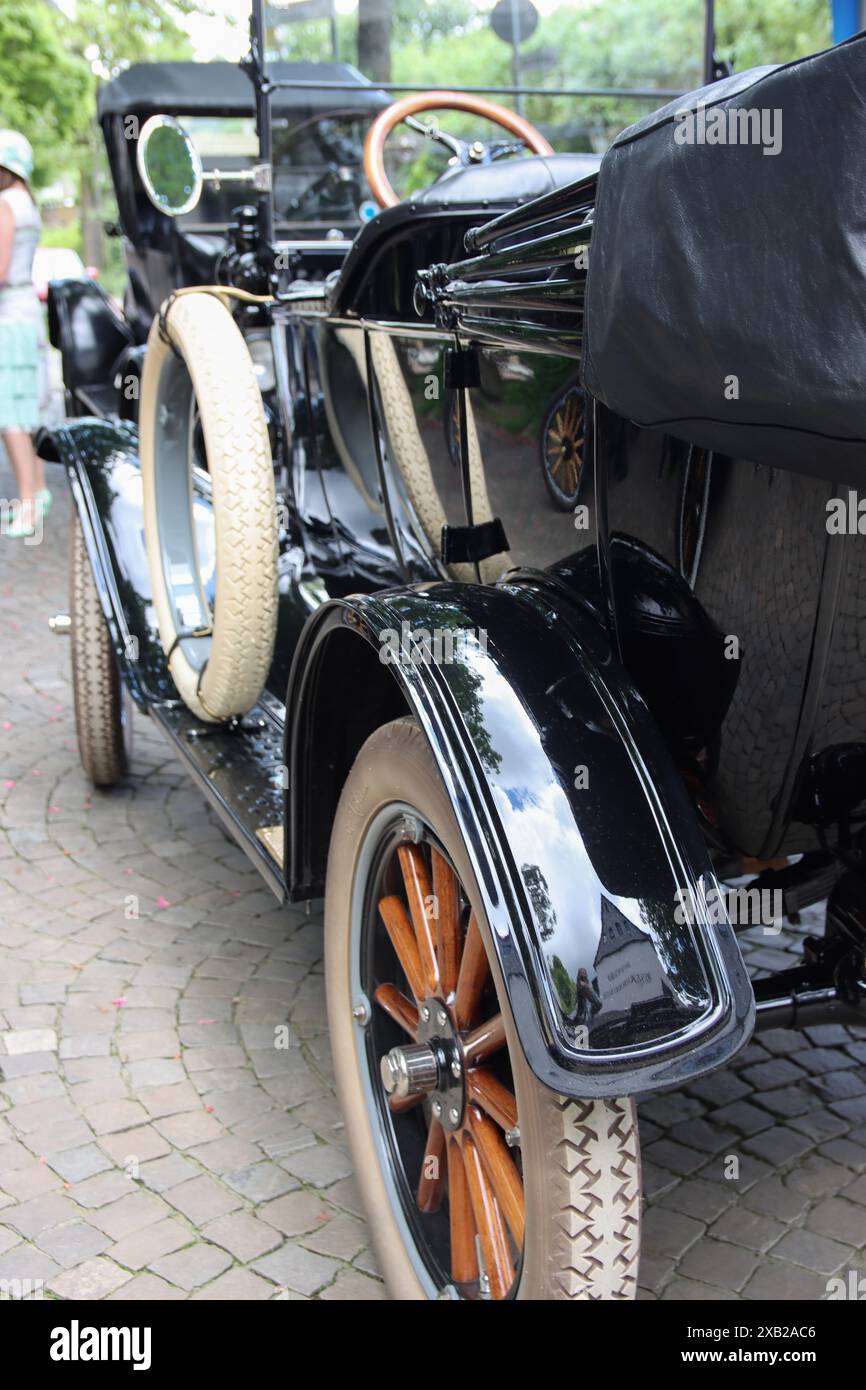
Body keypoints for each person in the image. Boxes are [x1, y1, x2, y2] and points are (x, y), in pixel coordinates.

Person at [0, 130, 50, 539]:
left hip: (8, 316)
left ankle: (27, 506)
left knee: (11, 415)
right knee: (27, 408)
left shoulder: (5, 204)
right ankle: (40, 490)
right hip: (27, 311)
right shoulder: (28, 204)